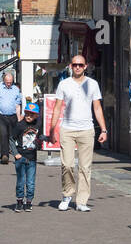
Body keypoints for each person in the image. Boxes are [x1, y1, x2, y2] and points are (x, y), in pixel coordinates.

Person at [54, 55, 108, 212]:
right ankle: (67, 195)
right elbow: (57, 108)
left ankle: (81, 201)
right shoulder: (64, 84)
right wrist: (52, 129)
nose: (77, 67)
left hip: (86, 129)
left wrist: (103, 129)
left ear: (85, 66)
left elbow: (97, 108)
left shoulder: (92, 84)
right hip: (67, 129)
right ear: (71, 66)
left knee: (85, 167)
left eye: (80, 65)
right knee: (67, 165)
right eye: (75, 64)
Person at [10, 102, 41, 212]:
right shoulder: (20, 125)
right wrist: (15, 153)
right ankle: (19, 201)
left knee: (31, 182)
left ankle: (29, 201)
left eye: (31, 115)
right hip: (20, 157)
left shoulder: (38, 124)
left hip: (32, 158)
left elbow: (40, 136)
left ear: (36, 115)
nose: (28, 116)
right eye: (27, 114)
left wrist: (44, 139)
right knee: (21, 181)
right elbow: (11, 139)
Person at [0, 70, 25, 166]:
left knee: (12, 136)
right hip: (0, 116)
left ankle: (15, 153)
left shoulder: (16, 89)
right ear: (4, 80)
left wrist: (19, 119)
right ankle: (4, 155)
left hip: (13, 116)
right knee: (3, 134)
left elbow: (18, 106)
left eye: (10, 82)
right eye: (7, 82)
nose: (9, 84)